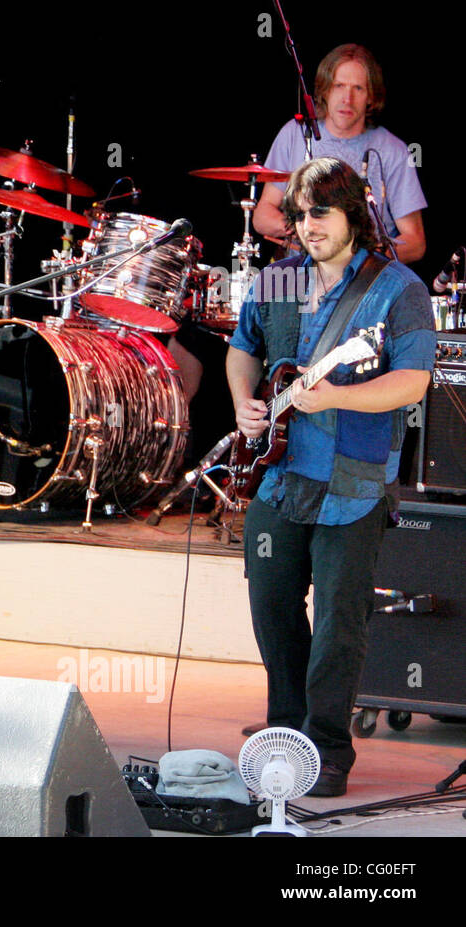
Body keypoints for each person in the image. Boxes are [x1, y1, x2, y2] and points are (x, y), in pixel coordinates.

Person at [227, 158, 434, 796]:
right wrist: (243, 402)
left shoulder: (396, 289)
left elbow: (412, 380)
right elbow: (244, 349)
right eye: (299, 214)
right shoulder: (278, 282)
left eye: (321, 213)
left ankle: (328, 747)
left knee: (340, 620)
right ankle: (284, 735)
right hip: (279, 476)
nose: (307, 226)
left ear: (354, 214)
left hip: (354, 482)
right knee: (272, 609)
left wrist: (337, 397)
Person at [252, 43, 426, 264]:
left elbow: (415, 242)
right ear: (324, 90)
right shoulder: (295, 135)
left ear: (371, 97)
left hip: (365, 280)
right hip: (301, 276)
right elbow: (261, 217)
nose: (347, 99)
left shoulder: (393, 150)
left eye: (358, 89)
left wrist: (368, 257)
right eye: (339, 86)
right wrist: (301, 231)